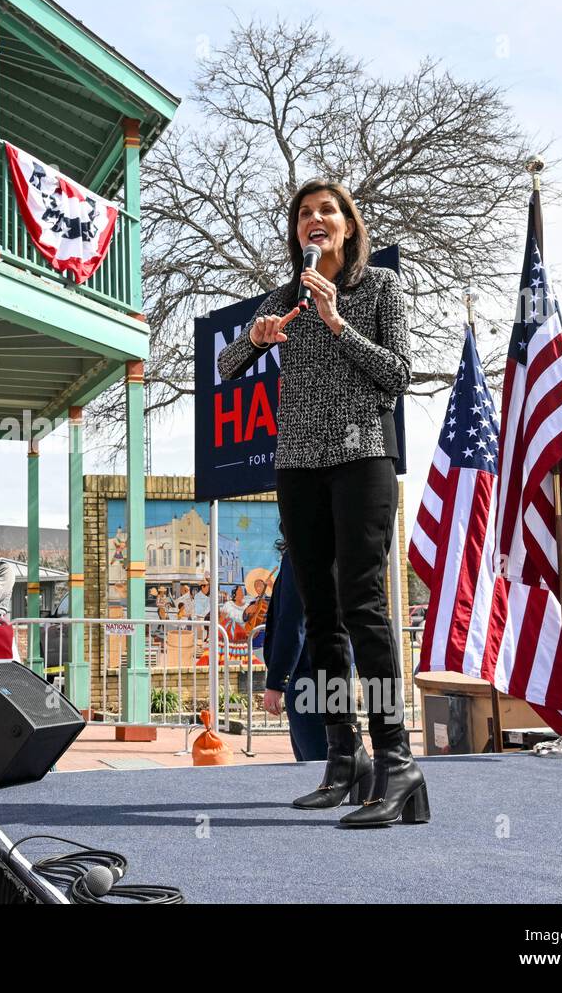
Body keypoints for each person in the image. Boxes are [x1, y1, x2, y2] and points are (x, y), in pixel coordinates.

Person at [218, 179, 420, 828]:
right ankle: (344, 756)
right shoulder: (286, 296)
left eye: (326, 210)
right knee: (323, 615)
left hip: (362, 461)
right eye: (304, 212)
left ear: (349, 226)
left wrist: (336, 321)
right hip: (298, 469)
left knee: (363, 609)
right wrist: (256, 337)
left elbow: (397, 374)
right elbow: (225, 366)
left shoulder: (379, 289)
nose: (315, 219)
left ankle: (396, 761)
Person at [261, 542, 335, 763]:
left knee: (316, 762)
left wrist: (276, 682)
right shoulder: (337, 552)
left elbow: (293, 622)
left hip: (306, 674)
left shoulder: (300, 556)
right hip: (331, 668)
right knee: (332, 758)